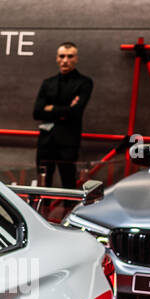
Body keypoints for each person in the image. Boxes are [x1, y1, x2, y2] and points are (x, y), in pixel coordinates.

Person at [33, 41, 93, 188]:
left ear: (76, 58)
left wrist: (51, 108)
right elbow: (37, 112)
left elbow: (76, 112)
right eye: (62, 56)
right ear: (57, 58)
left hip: (68, 142)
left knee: (68, 183)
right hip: (46, 142)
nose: (65, 60)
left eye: (70, 56)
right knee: (43, 184)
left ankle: (68, 210)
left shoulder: (84, 82)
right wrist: (66, 109)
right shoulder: (48, 83)